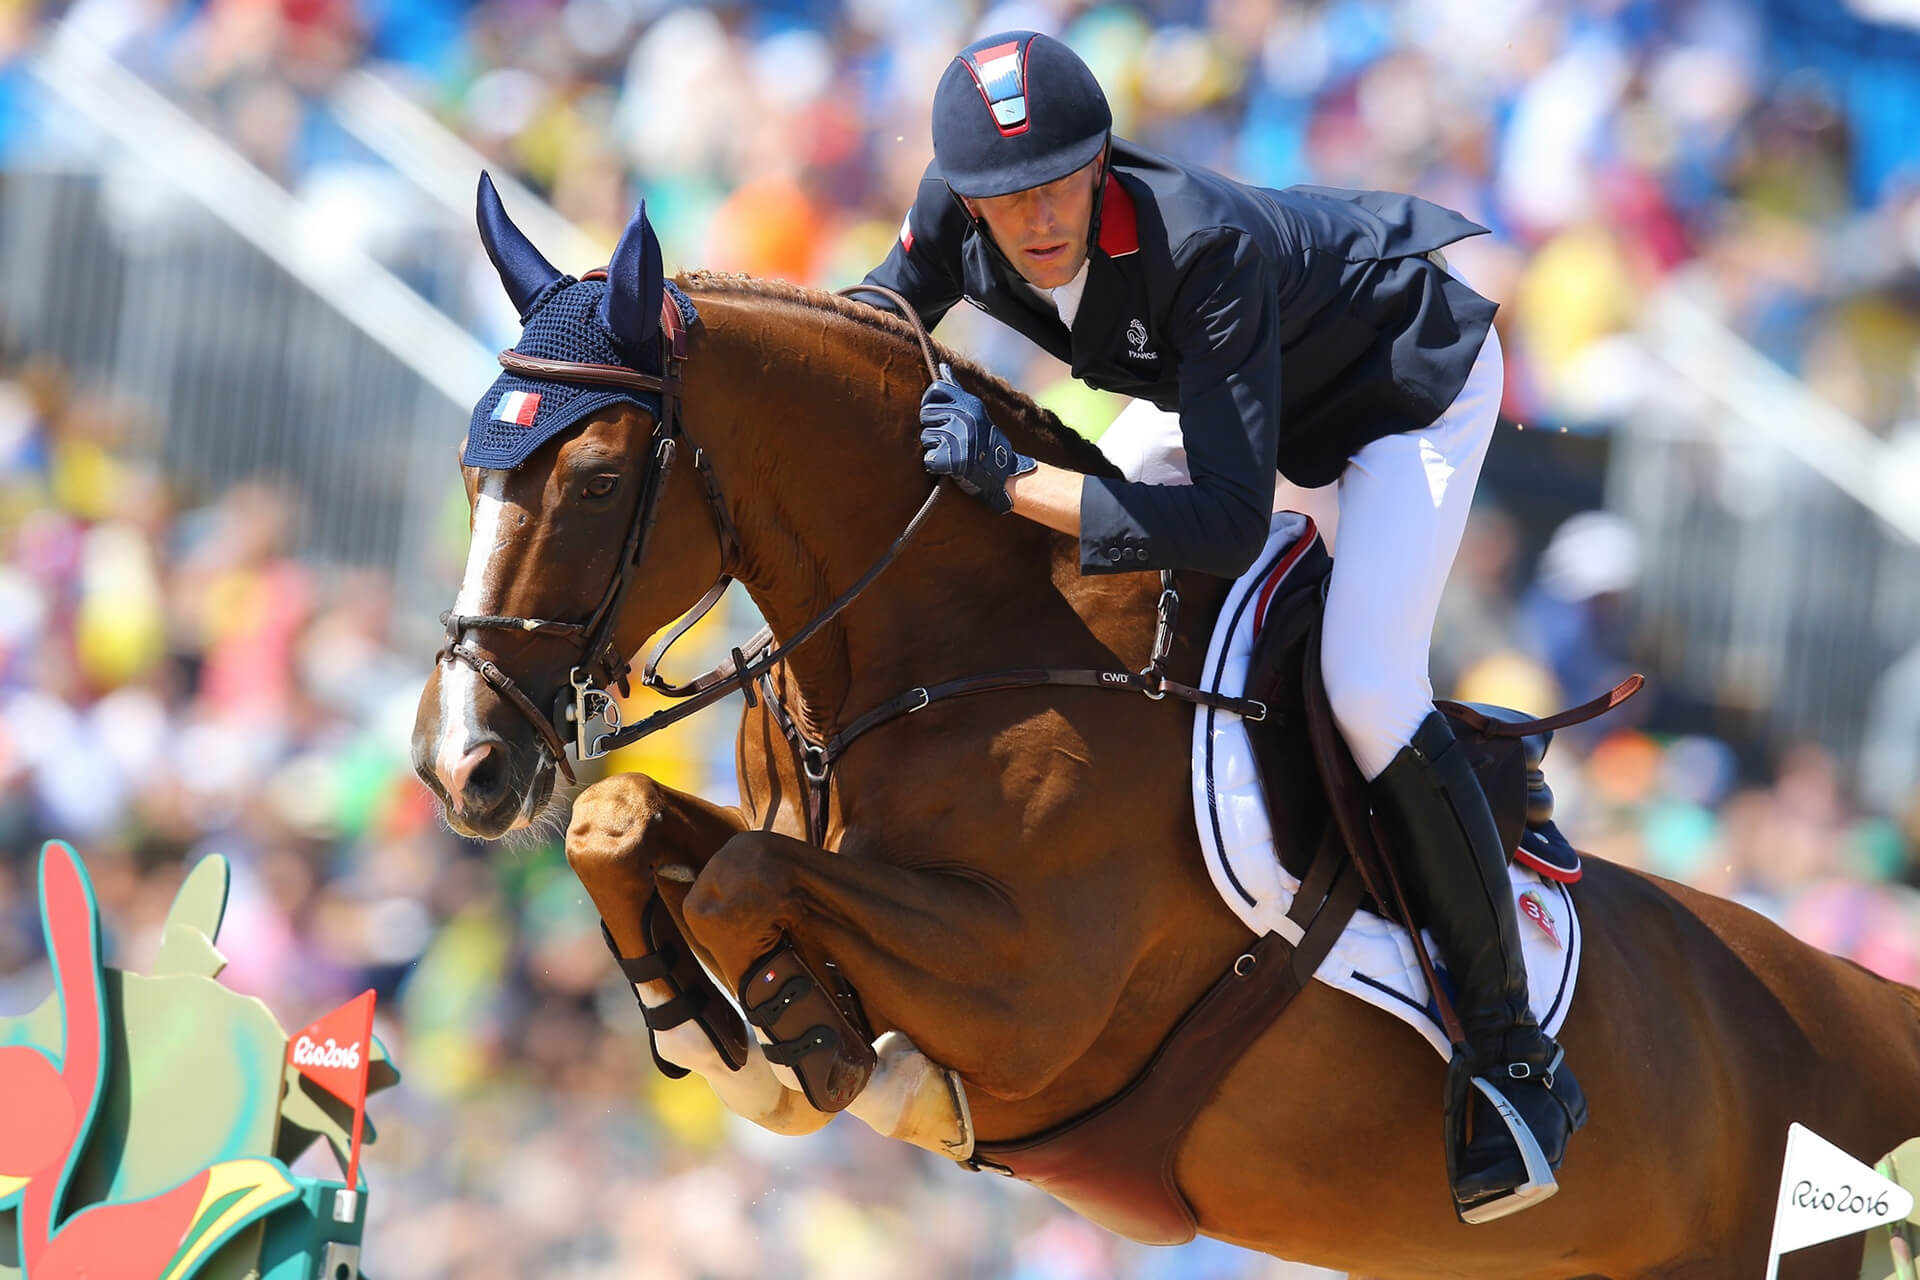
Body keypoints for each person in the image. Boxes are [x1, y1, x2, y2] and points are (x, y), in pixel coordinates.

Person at [860, 31, 1585, 1222]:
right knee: (1078, 555)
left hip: (1401, 397)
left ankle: (1513, 1060)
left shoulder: (1200, 244)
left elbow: (1220, 521)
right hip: (1243, 401)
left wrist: (1006, 478)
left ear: (1100, 162)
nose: (1034, 219)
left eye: (1056, 184)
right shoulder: (956, 207)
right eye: (1004, 198)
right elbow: (859, 335)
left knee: (1364, 681)